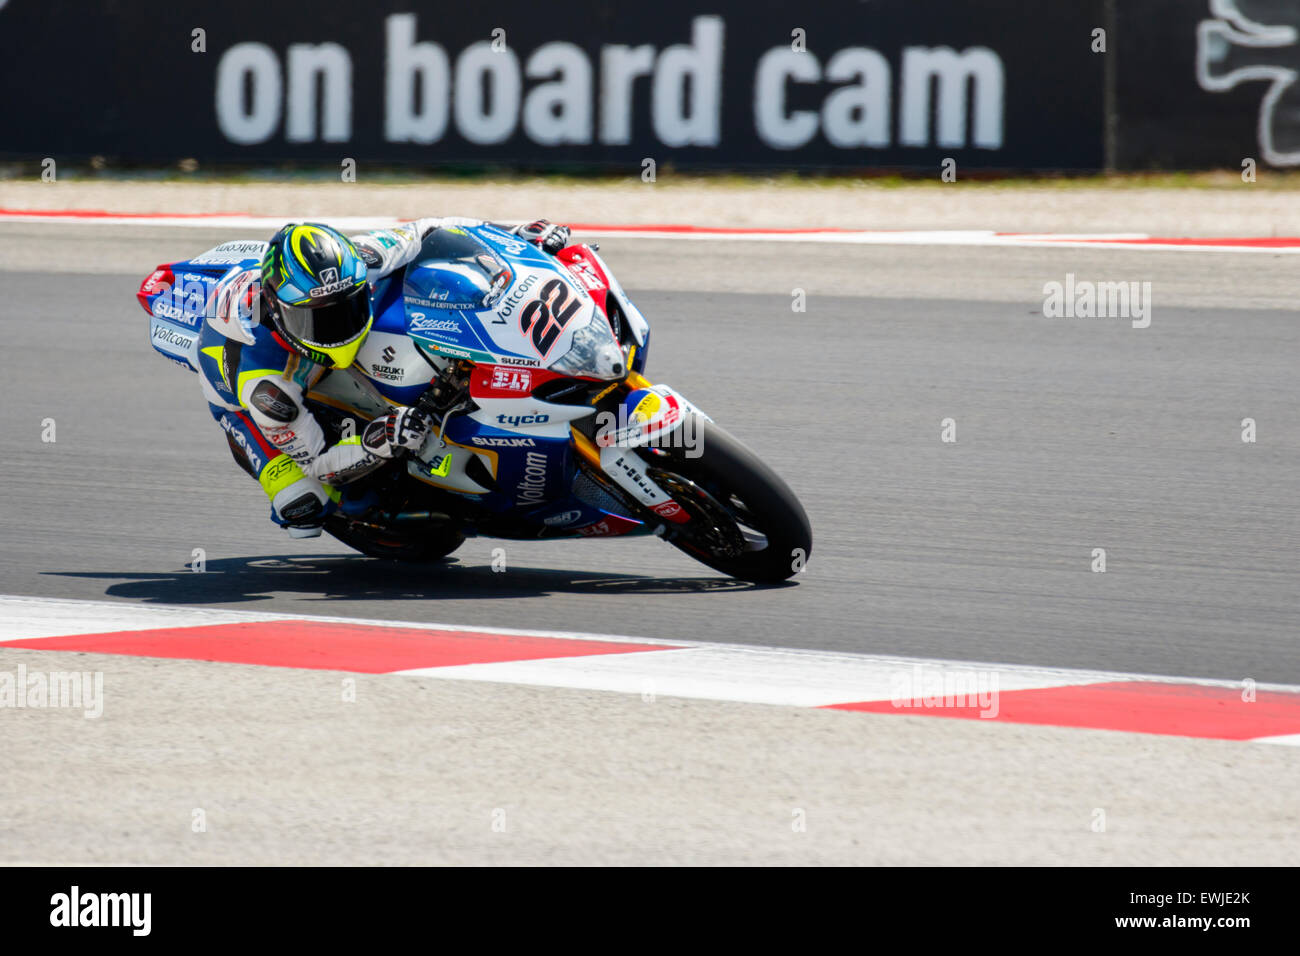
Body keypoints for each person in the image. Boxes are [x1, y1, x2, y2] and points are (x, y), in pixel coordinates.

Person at [198, 217, 571, 537]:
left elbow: (435, 228)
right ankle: (359, 512)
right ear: (280, 313)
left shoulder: (362, 258)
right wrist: (379, 441)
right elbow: (318, 463)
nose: (338, 327)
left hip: (305, 342)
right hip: (240, 396)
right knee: (305, 504)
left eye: (349, 306)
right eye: (318, 320)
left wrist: (516, 235)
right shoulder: (267, 389)